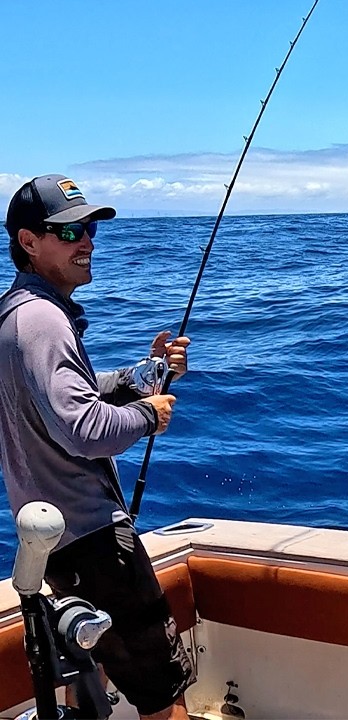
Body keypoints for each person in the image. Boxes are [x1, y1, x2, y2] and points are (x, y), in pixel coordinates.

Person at [0, 175, 194, 719]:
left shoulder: (16, 314)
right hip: (96, 544)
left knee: (88, 681)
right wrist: (147, 416)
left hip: (60, 543)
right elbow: (83, 429)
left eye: (87, 228)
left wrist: (144, 374)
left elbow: (68, 396)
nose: (86, 241)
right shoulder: (42, 321)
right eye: (67, 231)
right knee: (162, 692)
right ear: (28, 241)